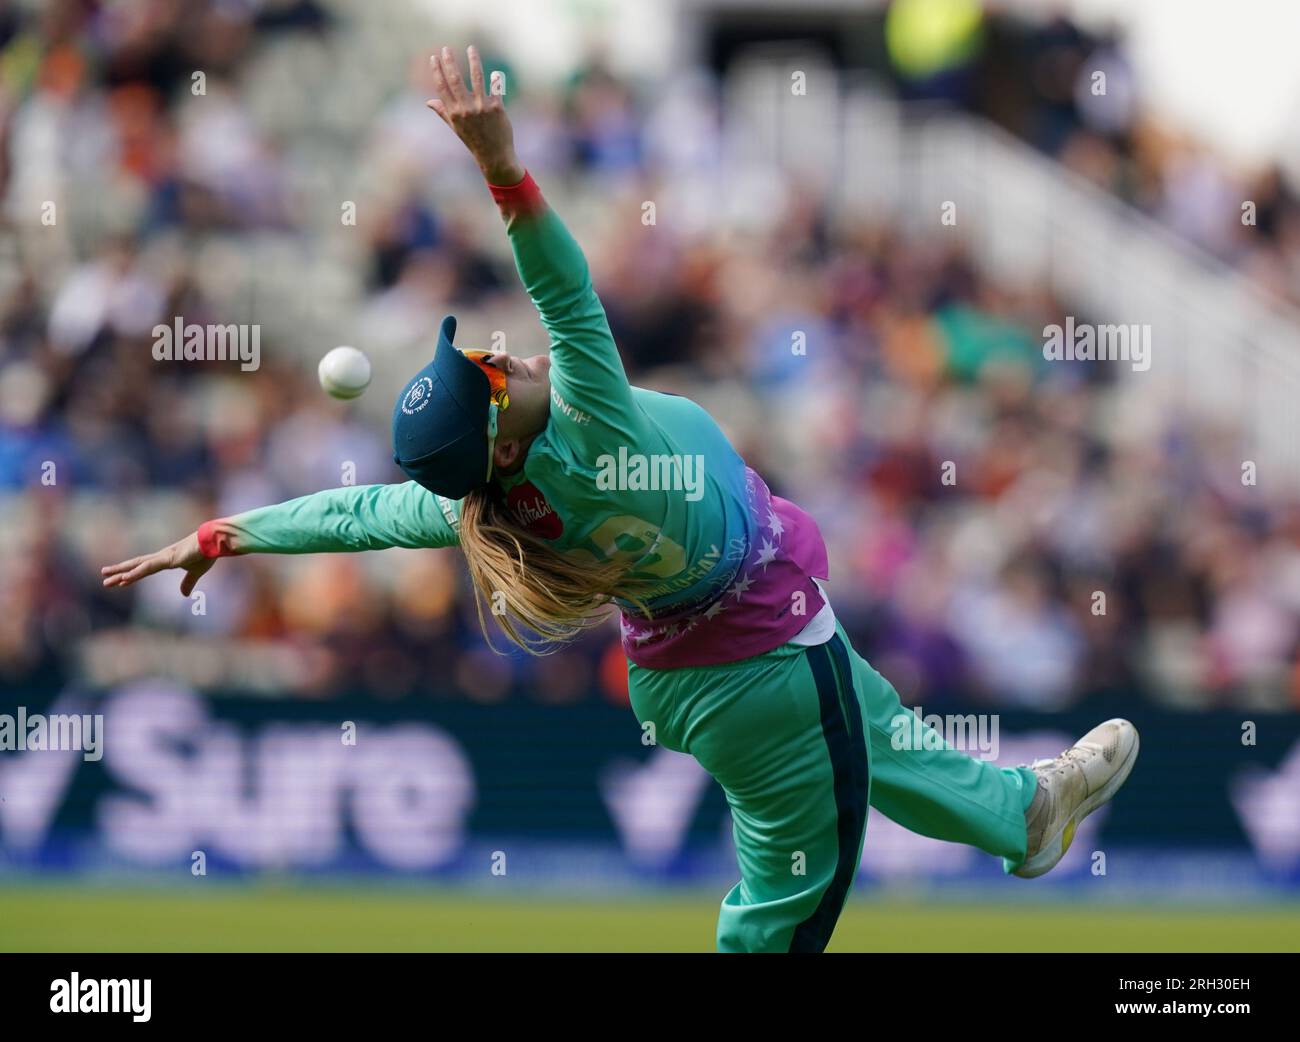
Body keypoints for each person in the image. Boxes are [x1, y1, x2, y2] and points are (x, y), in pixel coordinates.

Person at [102, 45, 1139, 953]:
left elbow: (361, 514)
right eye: (487, 378)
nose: (497, 355)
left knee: (878, 742)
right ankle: (1020, 817)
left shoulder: (485, 505)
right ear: (500, 431)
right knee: (786, 910)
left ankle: (1029, 813)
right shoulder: (586, 418)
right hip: (759, 665)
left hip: (709, 654)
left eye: (479, 355)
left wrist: (221, 533)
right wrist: (500, 167)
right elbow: (560, 284)